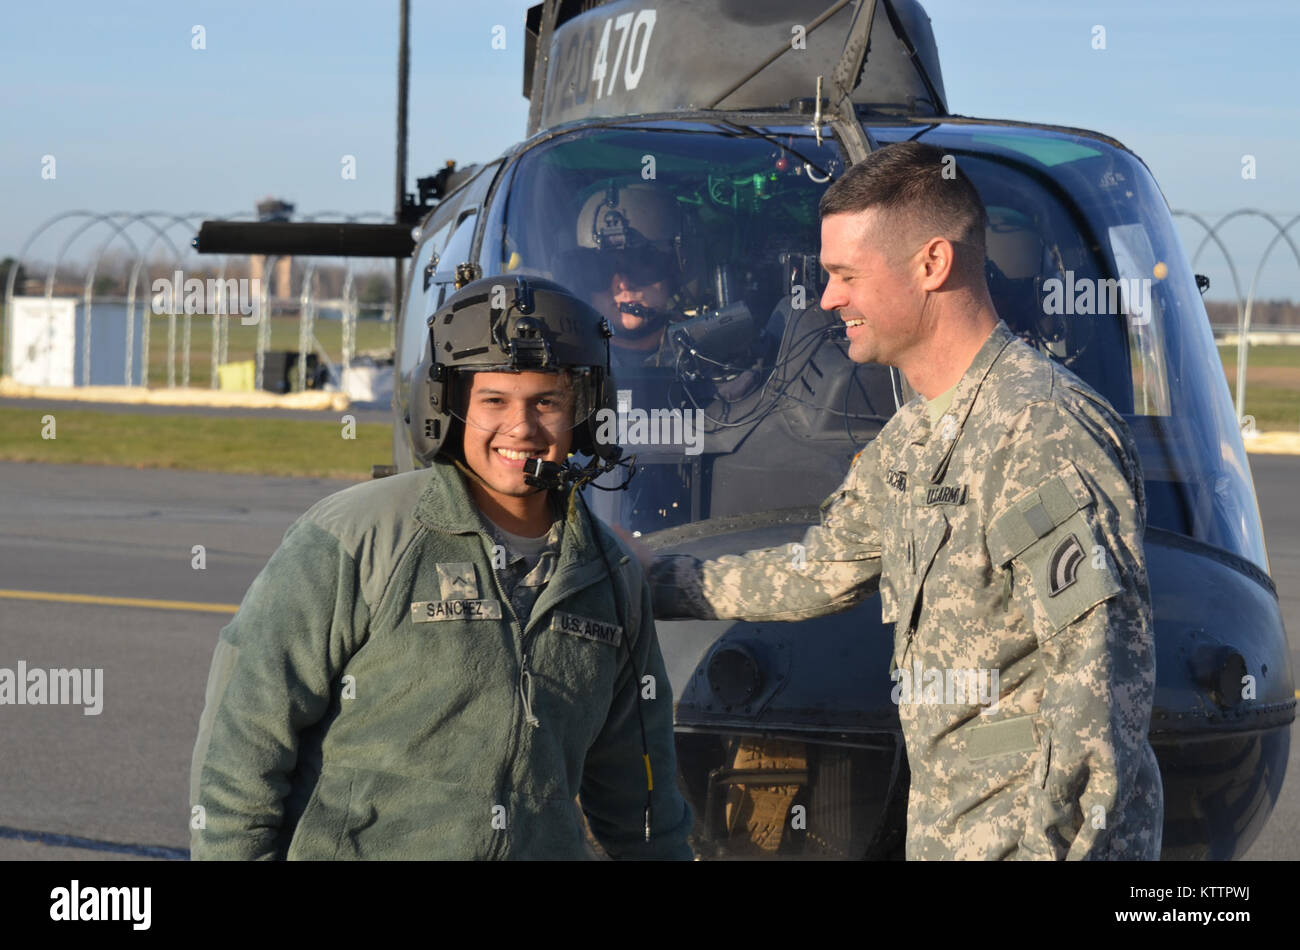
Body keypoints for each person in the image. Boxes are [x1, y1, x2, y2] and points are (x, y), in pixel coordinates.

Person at [637, 142, 1163, 860]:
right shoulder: (917, 434)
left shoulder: (1038, 429)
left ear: (932, 264)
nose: (827, 300)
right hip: (956, 825)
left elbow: (1099, 685)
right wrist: (647, 579)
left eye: (845, 275)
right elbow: (821, 569)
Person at [189, 276, 693, 860]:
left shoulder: (610, 574)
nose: (522, 428)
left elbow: (641, 795)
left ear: (585, 412)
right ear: (447, 408)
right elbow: (246, 736)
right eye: (494, 402)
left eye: (546, 402)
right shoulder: (361, 535)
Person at [575, 183, 688, 368]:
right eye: (602, 269)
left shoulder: (711, 356)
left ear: (673, 270)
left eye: (642, 263)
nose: (624, 285)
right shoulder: (566, 362)